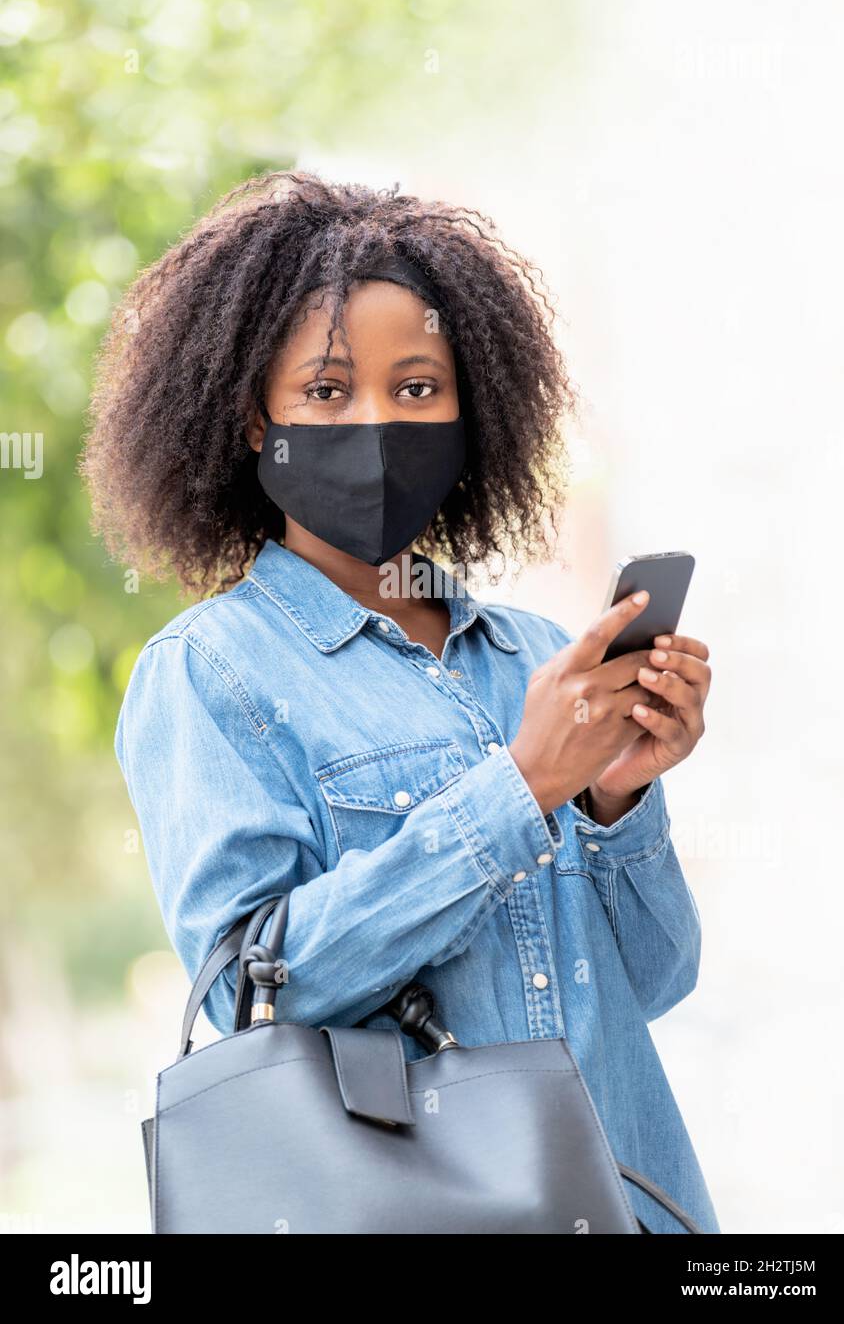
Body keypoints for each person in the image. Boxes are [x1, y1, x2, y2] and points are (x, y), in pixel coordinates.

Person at [82, 169, 718, 1234]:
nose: (377, 421)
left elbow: (653, 984)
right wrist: (518, 789)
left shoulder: (537, 657)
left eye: (417, 389)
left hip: (639, 1208)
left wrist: (615, 801)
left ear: (471, 416)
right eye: (327, 392)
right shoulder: (209, 671)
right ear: (255, 423)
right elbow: (251, 996)